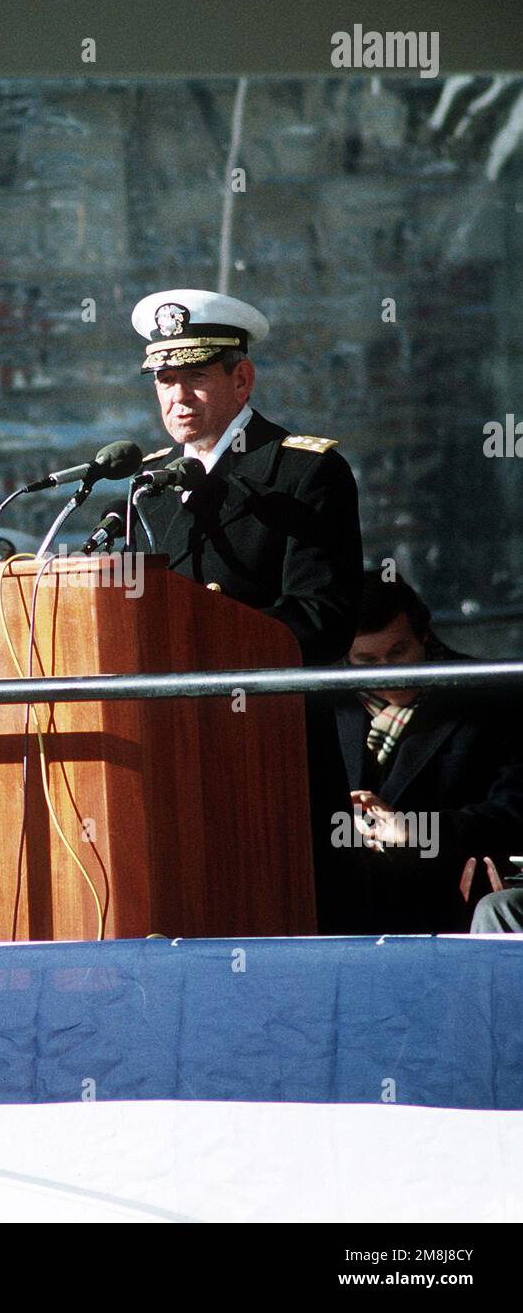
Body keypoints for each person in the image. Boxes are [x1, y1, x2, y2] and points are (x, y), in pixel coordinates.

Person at [131, 288, 365, 930]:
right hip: (172, 748)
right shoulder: (145, 489)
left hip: (269, 739)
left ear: (241, 378)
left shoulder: (302, 472)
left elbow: (323, 617)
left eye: (194, 378)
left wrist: (219, 642)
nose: (176, 397)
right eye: (164, 380)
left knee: (281, 926)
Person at [337, 570, 523, 933]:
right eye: (367, 662)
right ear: (346, 659)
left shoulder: (489, 694)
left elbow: (513, 816)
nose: (385, 673)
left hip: (446, 905)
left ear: (423, 634)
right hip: (348, 904)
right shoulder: (327, 706)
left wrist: (414, 830)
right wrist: (348, 824)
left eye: (398, 652)